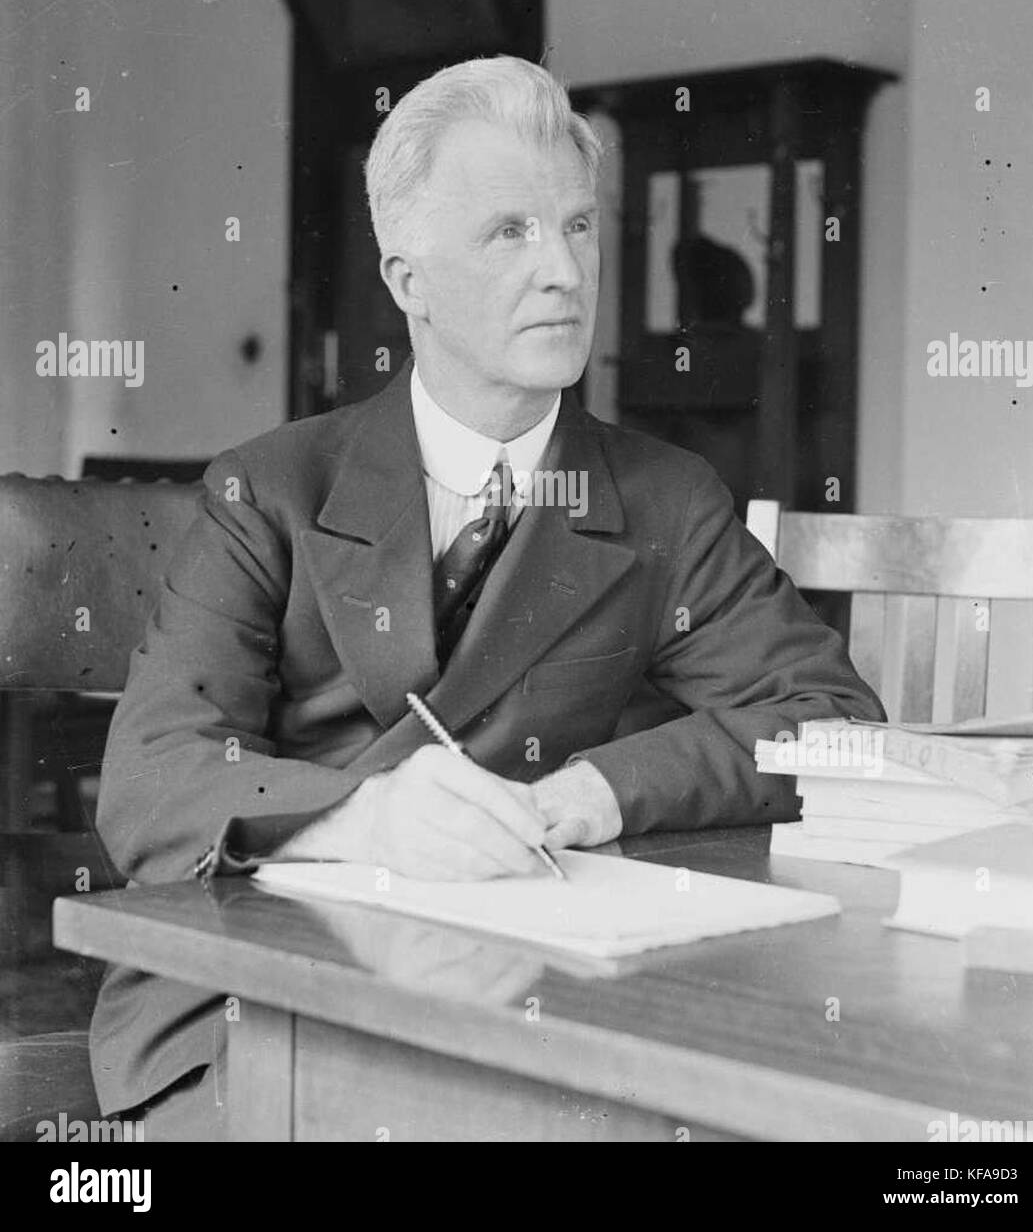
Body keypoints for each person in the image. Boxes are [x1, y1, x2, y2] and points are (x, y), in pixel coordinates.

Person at [91, 55, 883, 1138]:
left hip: (531, 1006)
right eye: (510, 232)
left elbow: (832, 726)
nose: (563, 270)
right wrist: (364, 818)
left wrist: (602, 788)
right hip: (264, 1009)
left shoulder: (664, 499)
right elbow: (150, 779)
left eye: (577, 226)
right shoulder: (269, 489)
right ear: (407, 279)